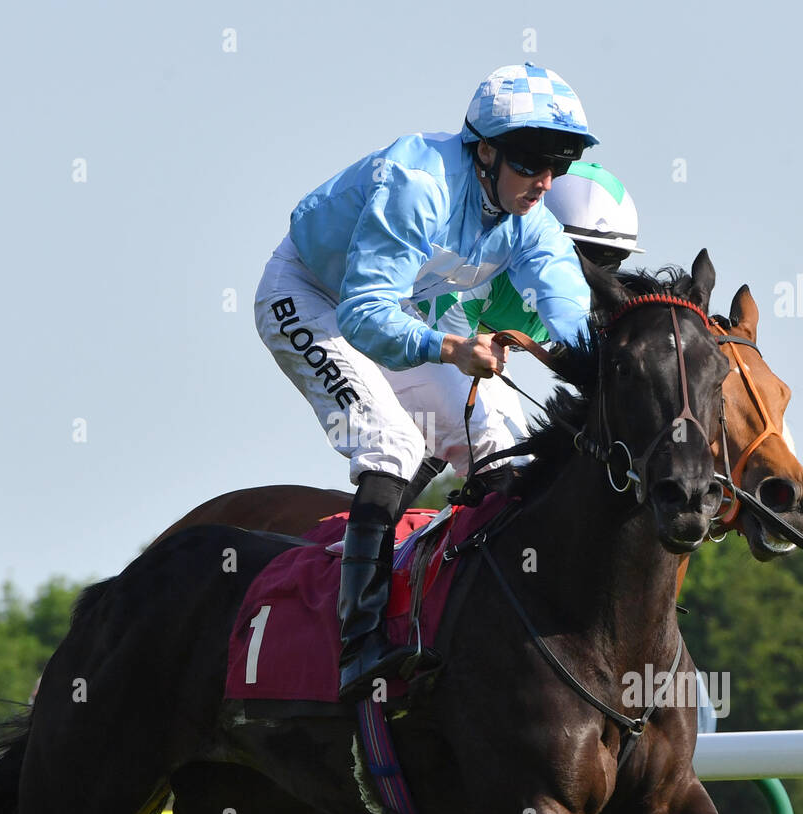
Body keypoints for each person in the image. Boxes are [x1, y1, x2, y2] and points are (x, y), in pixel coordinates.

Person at [254, 63, 599, 701]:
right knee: (391, 445)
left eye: (563, 162)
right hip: (312, 299)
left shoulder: (533, 221)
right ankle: (358, 644)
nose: (545, 181)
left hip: (401, 314)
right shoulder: (419, 182)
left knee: (501, 435)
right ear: (485, 150)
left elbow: (573, 321)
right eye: (531, 161)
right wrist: (449, 347)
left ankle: (491, 615)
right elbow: (362, 315)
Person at [437, 161, 644, 342]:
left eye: (610, 262)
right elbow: (451, 359)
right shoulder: (480, 271)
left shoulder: (599, 308)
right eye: (584, 257)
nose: (594, 275)